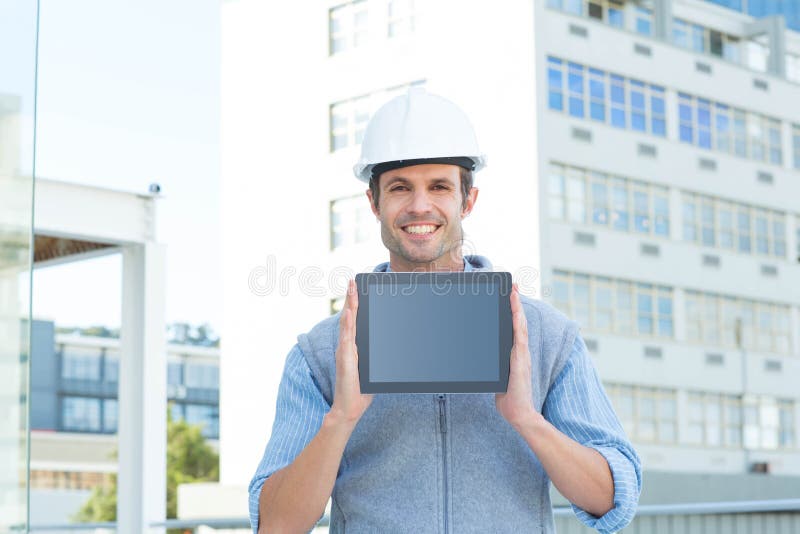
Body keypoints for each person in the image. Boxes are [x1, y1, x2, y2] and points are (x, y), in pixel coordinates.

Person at [249, 88, 642, 533]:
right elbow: (276, 526)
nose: (420, 206)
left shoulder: (546, 336)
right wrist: (341, 419)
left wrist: (526, 419)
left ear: (467, 201)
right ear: (374, 203)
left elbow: (613, 499)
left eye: (439, 186)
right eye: (400, 188)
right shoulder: (321, 353)